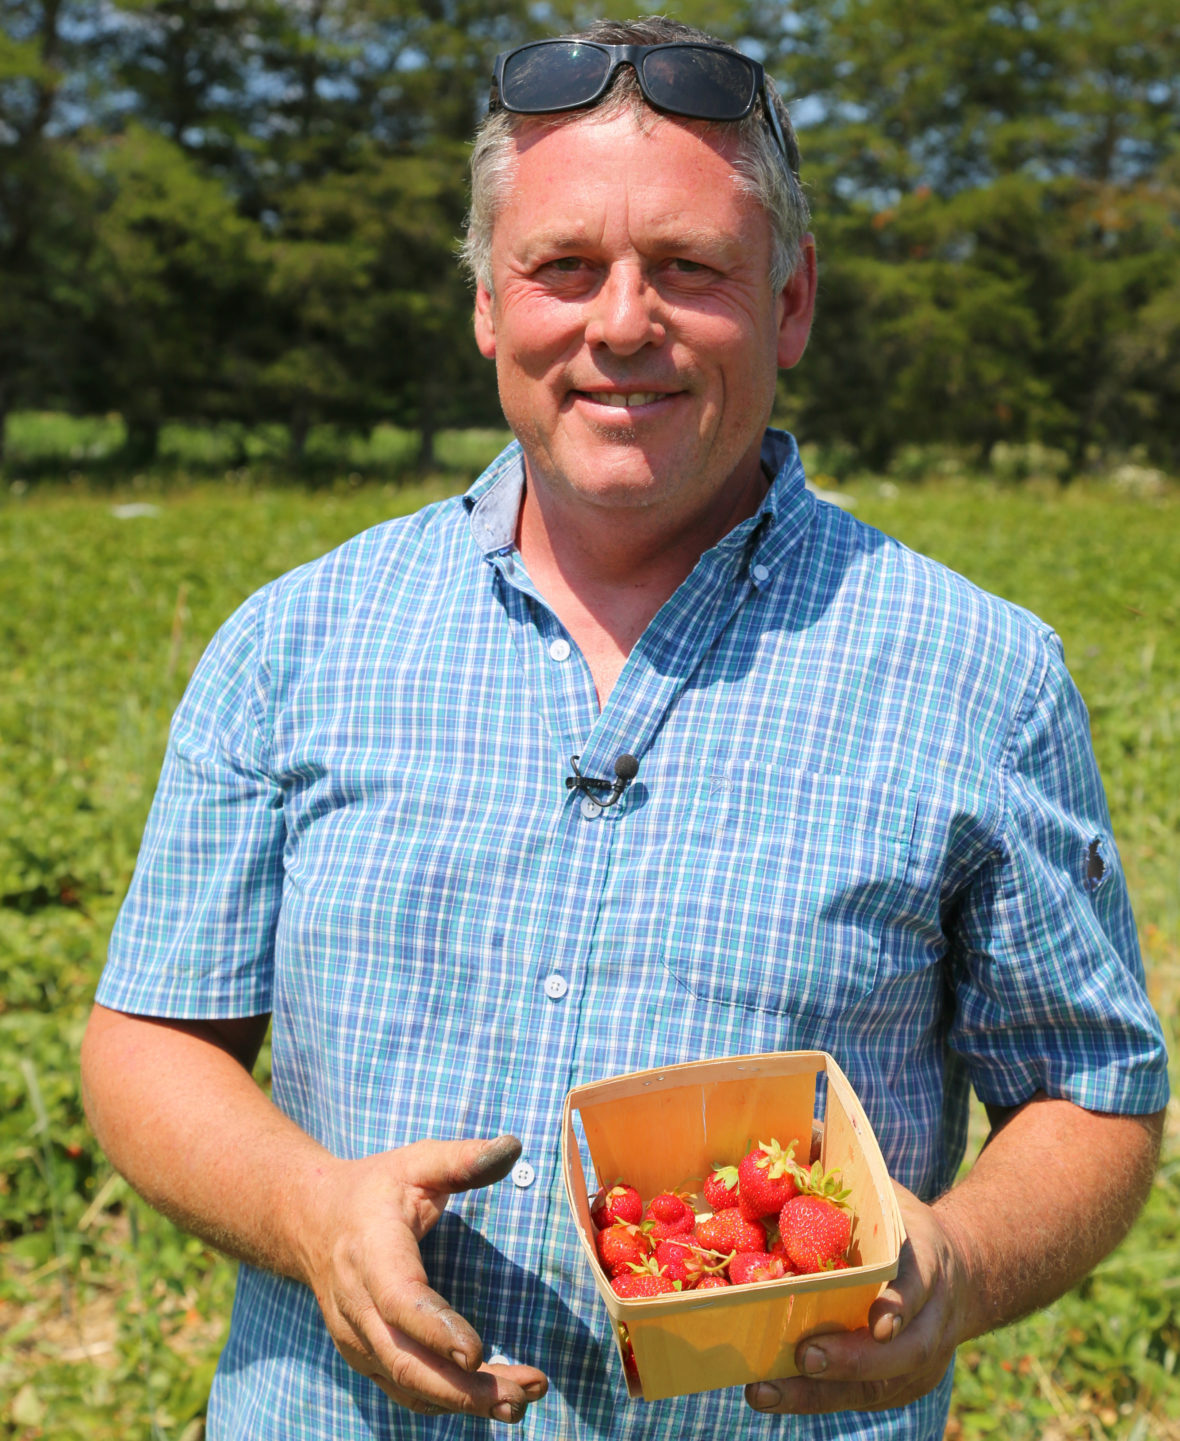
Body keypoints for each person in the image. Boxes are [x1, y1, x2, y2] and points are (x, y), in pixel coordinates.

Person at [80, 15, 1169, 1441]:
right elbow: (150, 1035)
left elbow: (1091, 1097)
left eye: (691, 269)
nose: (621, 323)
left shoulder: (977, 673)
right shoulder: (298, 640)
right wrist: (307, 1210)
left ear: (789, 304)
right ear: (488, 302)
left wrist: (955, 1260)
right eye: (565, 267)